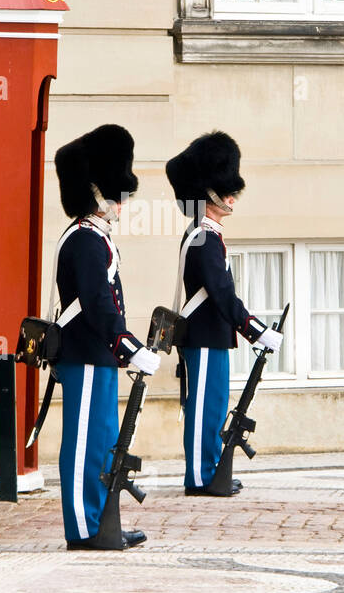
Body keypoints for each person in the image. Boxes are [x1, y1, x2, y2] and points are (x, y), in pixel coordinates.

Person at [53, 124, 160, 549]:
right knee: (83, 443)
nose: (120, 204)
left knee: (101, 442)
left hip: (96, 356)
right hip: (85, 353)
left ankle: (100, 521)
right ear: (96, 191)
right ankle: (83, 528)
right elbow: (97, 303)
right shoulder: (84, 240)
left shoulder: (96, 238)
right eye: (115, 195)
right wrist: (128, 346)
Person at [165, 131, 283, 495]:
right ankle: (200, 476)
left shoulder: (207, 233)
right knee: (203, 408)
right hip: (202, 335)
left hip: (211, 334)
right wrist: (255, 328)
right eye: (225, 189)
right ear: (208, 193)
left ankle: (209, 469)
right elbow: (220, 292)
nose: (231, 196)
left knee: (214, 406)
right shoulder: (204, 236)